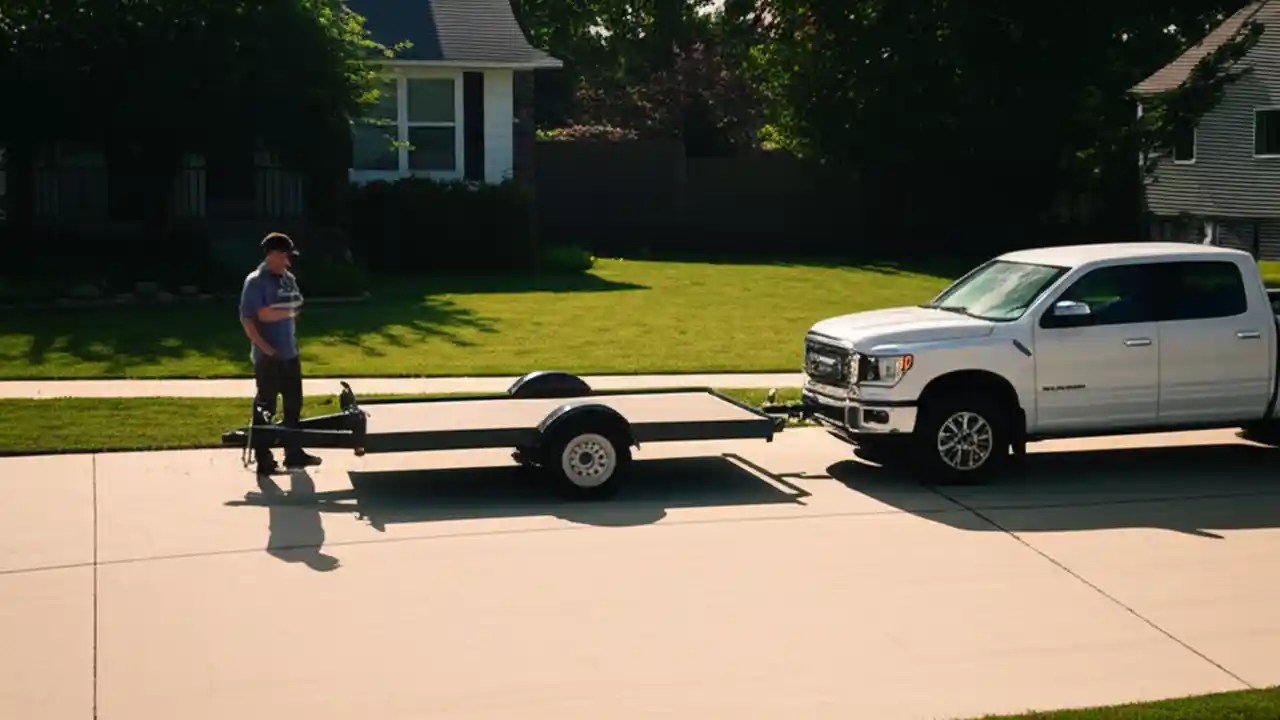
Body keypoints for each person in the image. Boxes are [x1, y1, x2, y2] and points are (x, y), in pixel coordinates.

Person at [239, 232, 321, 474]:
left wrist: (277, 311)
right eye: (285, 256)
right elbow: (250, 318)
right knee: (266, 406)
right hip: (268, 356)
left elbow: (297, 304)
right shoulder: (256, 282)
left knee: (294, 405)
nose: (288, 261)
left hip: (289, 353)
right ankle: (263, 458)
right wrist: (264, 346)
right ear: (272, 255)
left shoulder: (287, 279)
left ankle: (294, 453)